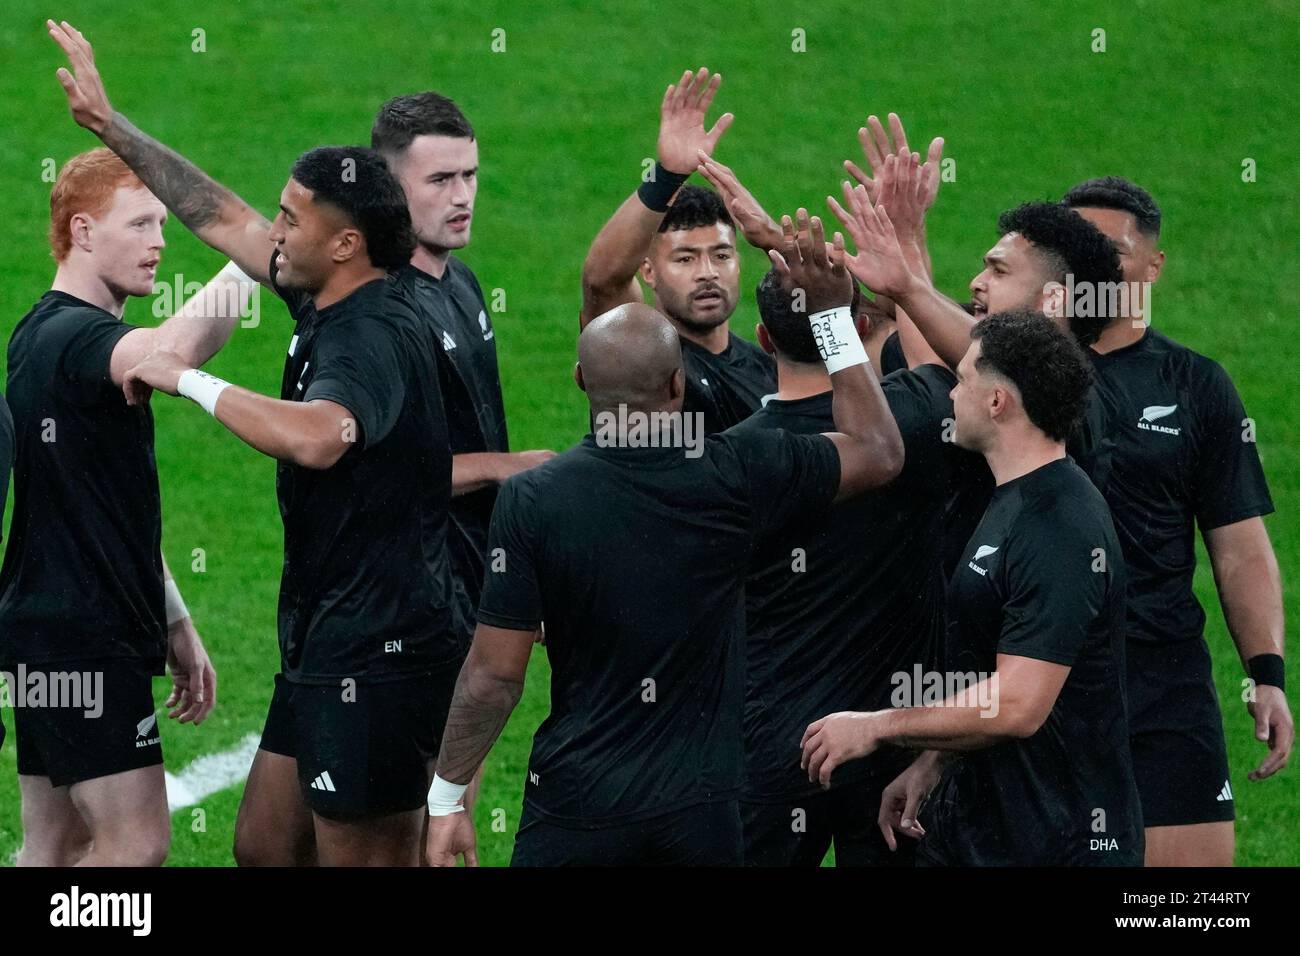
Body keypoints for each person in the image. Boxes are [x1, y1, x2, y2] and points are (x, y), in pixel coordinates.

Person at [49, 20, 461, 867]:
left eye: (290, 218)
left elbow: (318, 438)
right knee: (266, 847)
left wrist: (185, 376)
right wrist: (110, 125)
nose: (270, 230)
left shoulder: (374, 335)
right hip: (324, 634)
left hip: (383, 651)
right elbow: (219, 213)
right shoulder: (325, 287)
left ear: (344, 244)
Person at [425, 213, 904, 866]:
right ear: (678, 386)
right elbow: (878, 451)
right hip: (701, 810)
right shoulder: (740, 471)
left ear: (580, 382)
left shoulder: (535, 498)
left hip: (578, 801)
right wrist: (831, 318)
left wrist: (448, 798)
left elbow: (492, 676)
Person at [803, 311, 1143, 866]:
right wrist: (932, 761)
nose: (952, 394)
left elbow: (1016, 704)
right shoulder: (1013, 496)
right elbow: (995, 665)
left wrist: (877, 728)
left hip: (1056, 844)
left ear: (997, 402)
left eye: (962, 380)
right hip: (990, 831)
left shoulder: (1058, 526)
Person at [0, 146, 247, 865]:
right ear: (81, 232)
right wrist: (250, 261)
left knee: (54, 843)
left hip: (49, 631)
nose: (159, 243)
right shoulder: (78, 341)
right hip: (82, 637)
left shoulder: (38, 334)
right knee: (136, 844)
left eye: (163, 224)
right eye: (140, 224)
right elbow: (167, 355)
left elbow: (106, 508)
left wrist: (175, 620)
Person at [1063, 176, 1290, 865]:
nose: (1091, 264)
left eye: (1109, 249)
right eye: (1073, 249)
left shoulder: (1196, 385)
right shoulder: (1009, 372)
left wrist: (1267, 672)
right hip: (1047, 673)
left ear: (1153, 264)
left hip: (1165, 680)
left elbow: (1240, 546)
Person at [736, 265, 966, 866]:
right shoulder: (925, 416)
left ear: (763, 337)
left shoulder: (735, 459)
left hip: (770, 746)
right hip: (900, 741)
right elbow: (948, 362)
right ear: (863, 326)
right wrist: (902, 261)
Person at [372, 92, 554, 657]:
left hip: (470, 578)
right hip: (408, 597)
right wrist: (507, 468)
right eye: (440, 180)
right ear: (389, 184)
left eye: (470, 175)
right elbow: (380, 474)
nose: (462, 196)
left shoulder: (463, 282)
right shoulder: (382, 312)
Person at [579, 68, 774, 432]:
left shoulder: (772, 369)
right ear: (648, 270)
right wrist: (667, 176)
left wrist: (774, 238)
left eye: (721, 254)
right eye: (685, 258)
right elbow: (601, 281)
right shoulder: (633, 359)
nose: (708, 272)